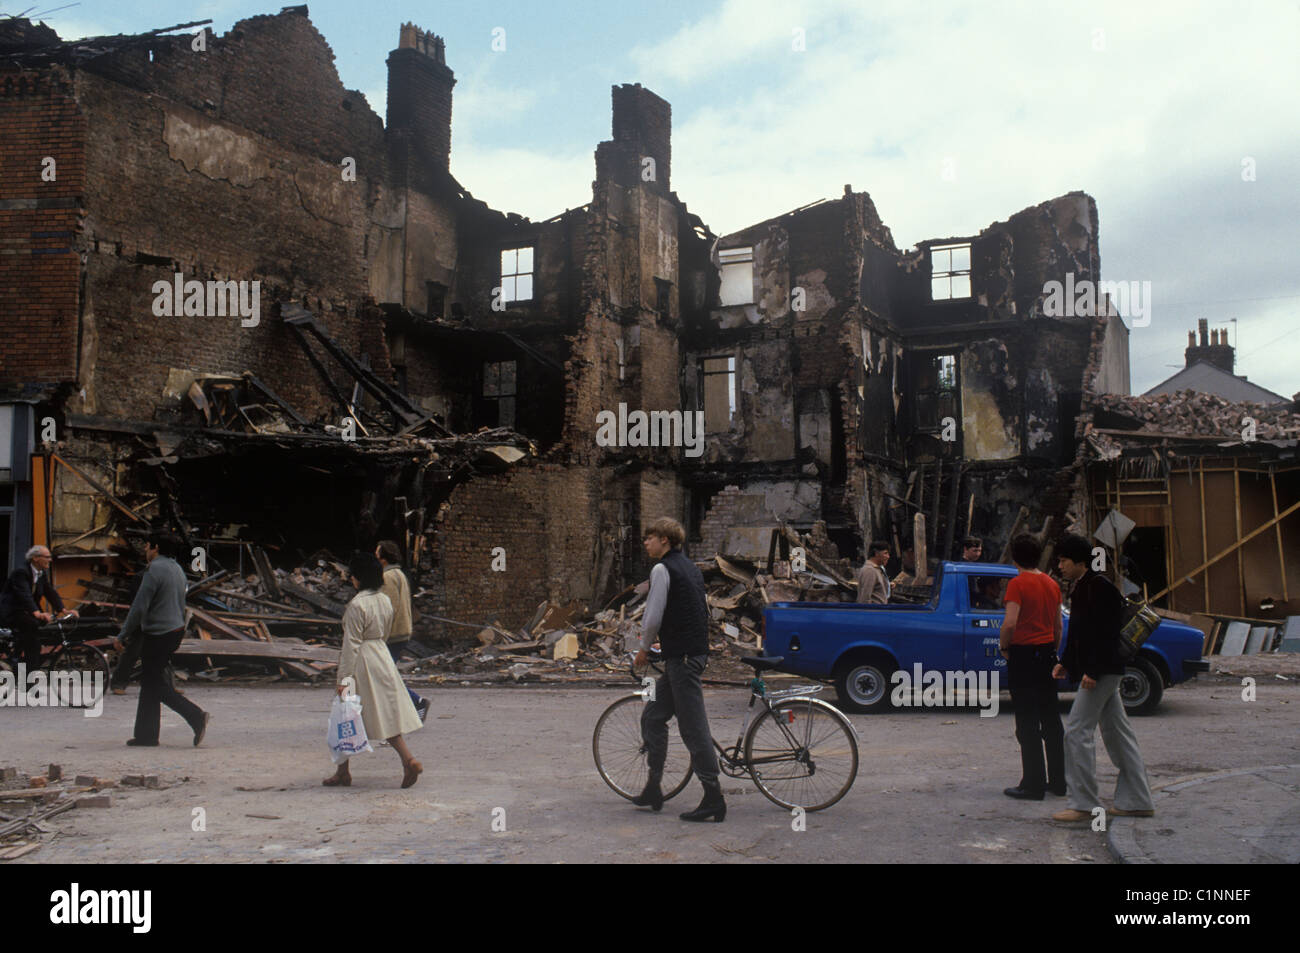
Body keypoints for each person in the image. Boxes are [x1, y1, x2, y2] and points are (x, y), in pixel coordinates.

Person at [1051, 534, 1155, 822]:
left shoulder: (1099, 588)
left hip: (1103, 671)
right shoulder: (1084, 586)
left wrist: (1092, 671)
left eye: (1063, 560)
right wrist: (1066, 663)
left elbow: (1106, 635)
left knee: (1076, 732)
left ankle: (1083, 804)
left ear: (1079, 561)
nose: (1059, 565)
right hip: (1102, 670)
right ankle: (1137, 799)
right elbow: (1080, 634)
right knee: (1118, 735)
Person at [633, 517, 724, 822]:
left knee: (693, 728)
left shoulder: (662, 569)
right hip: (683, 655)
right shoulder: (690, 567)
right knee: (653, 715)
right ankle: (654, 786)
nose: (646, 542)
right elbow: (691, 610)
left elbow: (654, 615)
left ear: (665, 541)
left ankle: (714, 797)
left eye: (651, 537)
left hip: (684, 659)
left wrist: (644, 649)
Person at [324, 552, 423, 789]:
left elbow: (351, 645)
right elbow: (385, 632)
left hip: (361, 661)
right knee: (384, 715)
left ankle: (343, 772)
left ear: (358, 578)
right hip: (381, 655)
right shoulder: (383, 600)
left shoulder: (357, 605)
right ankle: (408, 759)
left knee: (345, 714)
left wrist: (344, 678)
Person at [117, 532, 209, 747]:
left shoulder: (154, 569)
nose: (145, 551)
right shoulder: (177, 569)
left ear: (155, 547)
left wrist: (123, 634)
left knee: (153, 682)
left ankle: (195, 716)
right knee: (150, 681)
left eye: (147, 546)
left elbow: (139, 607)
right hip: (174, 630)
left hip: (159, 633)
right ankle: (146, 735)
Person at [998, 534, 1065, 801]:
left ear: (1015, 557)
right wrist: (1053, 651)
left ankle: (1032, 783)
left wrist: (1005, 647)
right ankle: (1058, 780)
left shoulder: (1017, 584)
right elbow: (1058, 625)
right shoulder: (1052, 584)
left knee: (1026, 720)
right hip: (1047, 652)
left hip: (1024, 655)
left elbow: (1010, 623)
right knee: (1051, 719)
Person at [376, 540, 429, 722]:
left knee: (384, 675)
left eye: (377, 552)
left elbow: (389, 607)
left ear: (383, 557)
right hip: (400, 632)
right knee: (385, 673)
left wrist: (379, 634)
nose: (375, 555)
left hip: (392, 634)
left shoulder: (388, 577)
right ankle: (405, 707)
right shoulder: (398, 574)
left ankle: (416, 701)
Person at [1, 545, 77, 670]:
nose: (50, 560)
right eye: (47, 557)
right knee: (33, 628)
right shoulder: (21, 572)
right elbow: (24, 594)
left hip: (25, 611)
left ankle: (24, 661)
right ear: (36, 558)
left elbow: (49, 591)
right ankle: (14, 658)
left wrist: (63, 610)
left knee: (37, 635)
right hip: (12, 611)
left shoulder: (41, 573)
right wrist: (37, 613)